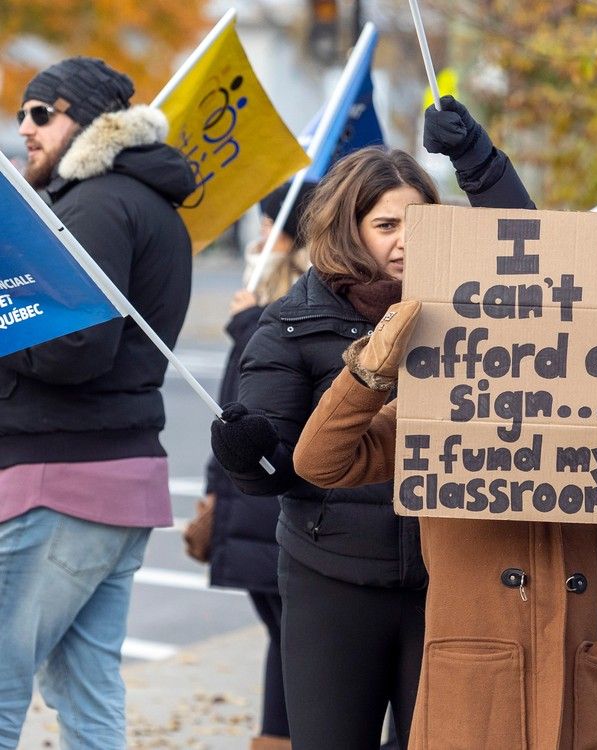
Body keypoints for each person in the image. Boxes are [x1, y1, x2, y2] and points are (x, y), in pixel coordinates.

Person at [209, 97, 534, 750]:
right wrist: (251, 456)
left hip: (451, 582)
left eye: (419, 220)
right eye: (387, 224)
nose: (406, 240)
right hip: (334, 583)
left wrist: (478, 161)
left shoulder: (470, 308)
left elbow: (532, 248)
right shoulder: (288, 325)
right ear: (346, 228)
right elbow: (280, 468)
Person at [291, 315, 597, 749]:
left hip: (576, 683)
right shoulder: (441, 400)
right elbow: (318, 461)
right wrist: (368, 374)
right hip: (475, 696)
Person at [0, 57, 196, 749]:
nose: (24, 127)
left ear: (86, 120)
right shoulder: (145, 205)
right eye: (23, 113)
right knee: (87, 690)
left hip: (59, 480)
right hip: (115, 477)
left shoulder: (93, 206)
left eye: (41, 112)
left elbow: (77, 347)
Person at [192, 182, 314, 750]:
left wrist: (249, 326)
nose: (260, 233)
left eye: (270, 223)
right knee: (290, 641)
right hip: (253, 510)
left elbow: (268, 403)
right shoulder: (262, 305)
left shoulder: (284, 318)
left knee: (296, 643)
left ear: (294, 238)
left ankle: (278, 736)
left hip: (276, 511)